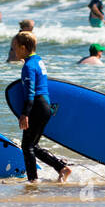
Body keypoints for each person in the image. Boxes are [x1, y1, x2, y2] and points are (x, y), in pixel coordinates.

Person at [11, 31, 71, 184]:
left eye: (15, 47)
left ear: (23, 48)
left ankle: (32, 180)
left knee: (27, 146)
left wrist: (25, 114)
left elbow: (30, 93)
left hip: (36, 106)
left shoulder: (29, 66)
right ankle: (61, 168)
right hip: (45, 106)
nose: (14, 51)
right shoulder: (38, 61)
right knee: (33, 145)